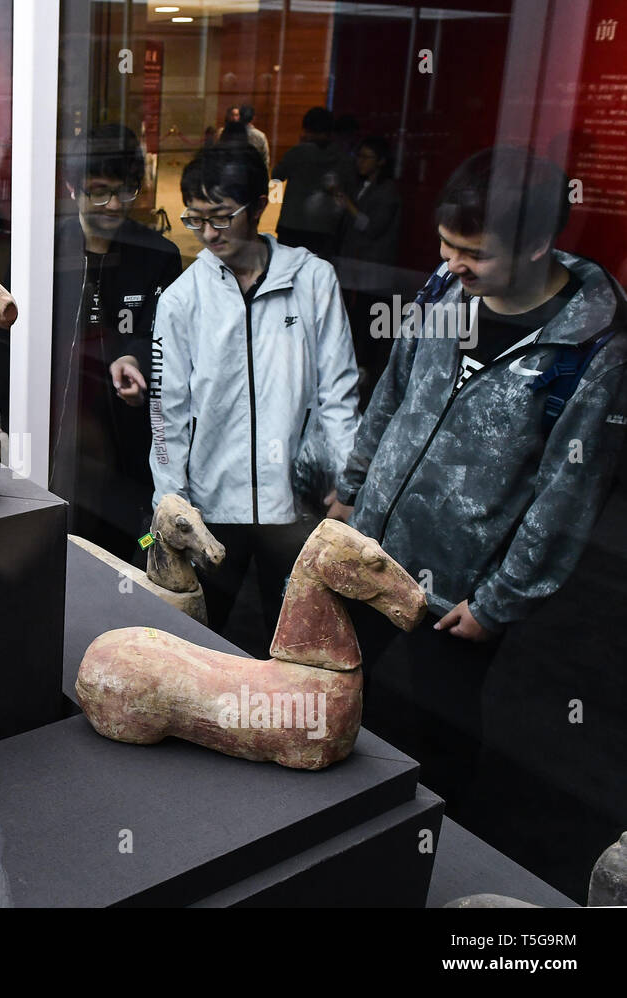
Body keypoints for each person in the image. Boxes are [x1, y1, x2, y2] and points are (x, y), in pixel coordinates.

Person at [327, 146, 627, 802]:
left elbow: (568, 495)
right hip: (374, 544)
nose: (451, 262)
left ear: (537, 245)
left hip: (462, 585)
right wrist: (352, 488)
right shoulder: (445, 287)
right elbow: (394, 390)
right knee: (336, 679)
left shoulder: (593, 350)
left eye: (474, 252)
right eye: (445, 244)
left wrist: (498, 603)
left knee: (444, 724)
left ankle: (439, 837)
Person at [151, 142, 360, 647]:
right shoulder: (182, 298)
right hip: (210, 506)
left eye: (222, 216)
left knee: (300, 643)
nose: (209, 233)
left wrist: (347, 484)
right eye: (196, 219)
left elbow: (337, 392)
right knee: (196, 639)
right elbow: (166, 411)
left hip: (297, 505)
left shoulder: (313, 279)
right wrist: (170, 500)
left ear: (260, 206)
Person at [50, 124, 184, 560]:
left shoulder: (158, 254)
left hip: (127, 429)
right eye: (99, 191)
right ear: (72, 188)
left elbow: (160, 335)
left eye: (125, 191)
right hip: (56, 418)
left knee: (125, 540)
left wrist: (135, 358)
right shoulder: (44, 249)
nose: (113, 204)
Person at [333, 135, 402, 405]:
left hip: (373, 265)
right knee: (352, 313)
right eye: (358, 156)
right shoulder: (360, 185)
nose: (360, 162)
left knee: (368, 316)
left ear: (381, 162)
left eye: (366, 157)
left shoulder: (388, 192)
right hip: (354, 262)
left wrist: (348, 205)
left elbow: (372, 227)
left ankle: (365, 366)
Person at [271, 107, 356, 260]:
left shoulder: (297, 153)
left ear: (306, 128)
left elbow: (276, 176)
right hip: (325, 227)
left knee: (287, 268)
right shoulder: (343, 158)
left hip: (291, 223)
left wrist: (275, 201)